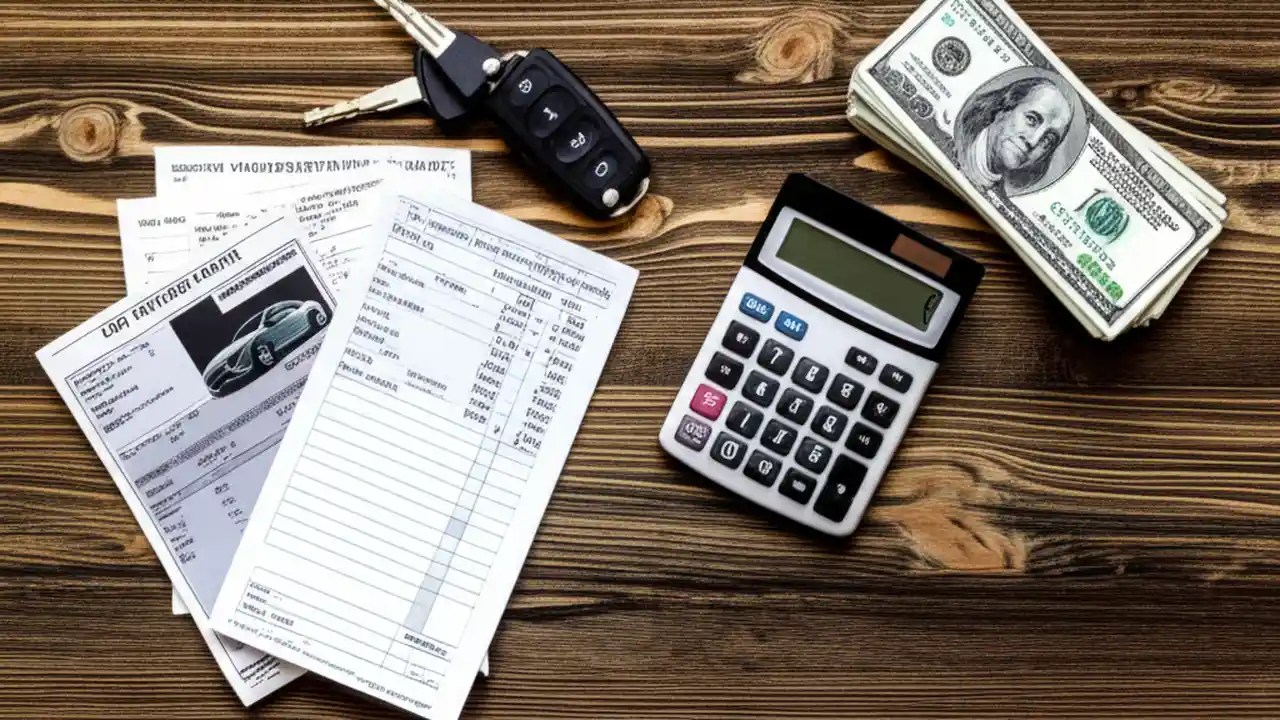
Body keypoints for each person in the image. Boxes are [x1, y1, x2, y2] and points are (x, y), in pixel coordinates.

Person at [957, 76, 1074, 194]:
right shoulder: (953, 141)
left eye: (1048, 140)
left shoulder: (1000, 199)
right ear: (1003, 109)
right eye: (1031, 119)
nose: (1033, 141)